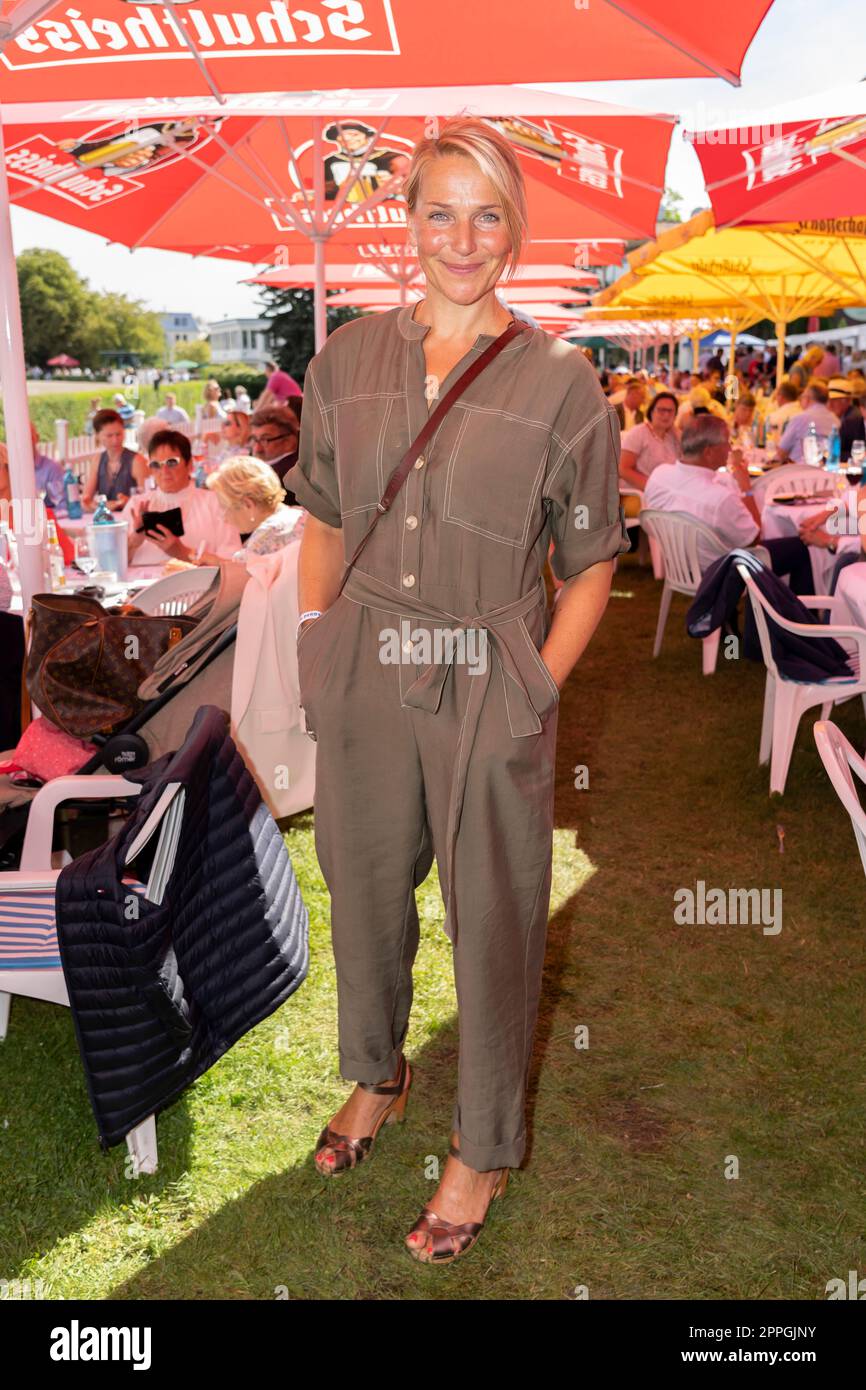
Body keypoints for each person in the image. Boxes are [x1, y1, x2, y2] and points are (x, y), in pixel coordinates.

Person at [285, 115, 628, 1265]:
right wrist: (318, 651)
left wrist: (531, 687)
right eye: (439, 210)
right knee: (365, 886)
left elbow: (589, 564)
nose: (462, 236)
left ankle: (478, 1145)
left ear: (513, 230)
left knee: (491, 919)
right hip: (368, 661)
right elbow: (324, 517)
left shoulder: (562, 380)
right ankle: (377, 1068)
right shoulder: (342, 363)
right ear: (407, 220)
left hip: (491, 669)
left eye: (487, 213)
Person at [644, 414, 813, 592]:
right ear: (708, 452)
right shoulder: (720, 498)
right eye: (727, 442)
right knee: (800, 547)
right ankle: (796, 615)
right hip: (721, 570)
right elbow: (755, 537)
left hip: (679, 563)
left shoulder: (659, 475)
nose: (730, 448)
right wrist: (746, 488)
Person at [120, 429, 241, 566]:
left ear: (189, 465)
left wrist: (181, 552)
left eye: (171, 463)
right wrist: (132, 542)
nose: (164, 471)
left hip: (197, 585)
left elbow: (232, 565)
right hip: (141, 586)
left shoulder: (215, 503)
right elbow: (110, 567)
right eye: (156, 465)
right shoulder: (137, 504)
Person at [206, 455, 303, 558]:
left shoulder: (263, 540)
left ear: (248, 504)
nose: (224, 519)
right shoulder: (300, 515)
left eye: (225, 508)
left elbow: (243, 572)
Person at [82, 409, 148, 510]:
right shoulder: (98, 460)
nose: (115, 440)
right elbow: (86, 500)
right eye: (109, 436)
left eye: (119, 434)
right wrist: (101, 507)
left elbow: (147, 500)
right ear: (98, 436)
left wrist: (129, 502)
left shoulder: (137, 461)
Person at [618, 391, 679, 494]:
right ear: (651, 411)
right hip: (639, 494)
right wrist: (654, 488)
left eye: (671, 411)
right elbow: (623, 469)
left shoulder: (672, 436)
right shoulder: (639, 433)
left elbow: (689, 460)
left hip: (668, 492)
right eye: (661, 410)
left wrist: (676, 430)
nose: (666, 415)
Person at [776, 382, 837, 464]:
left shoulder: (800, 418)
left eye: (802, 397)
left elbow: (781, 452)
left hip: (798, 471)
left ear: (807, 399)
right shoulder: (835, 420)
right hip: (826, 470)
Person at [249, 405, 299, 502]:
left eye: (265, 439)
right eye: (255, 439)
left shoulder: (283, 478)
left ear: (288, 442)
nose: (257, 449)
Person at [29, 424, 65, 510]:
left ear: (37, 438)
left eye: (28, 438)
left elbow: (62, 505)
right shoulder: (9, 471)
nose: (23, 442)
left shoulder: (52, 468)